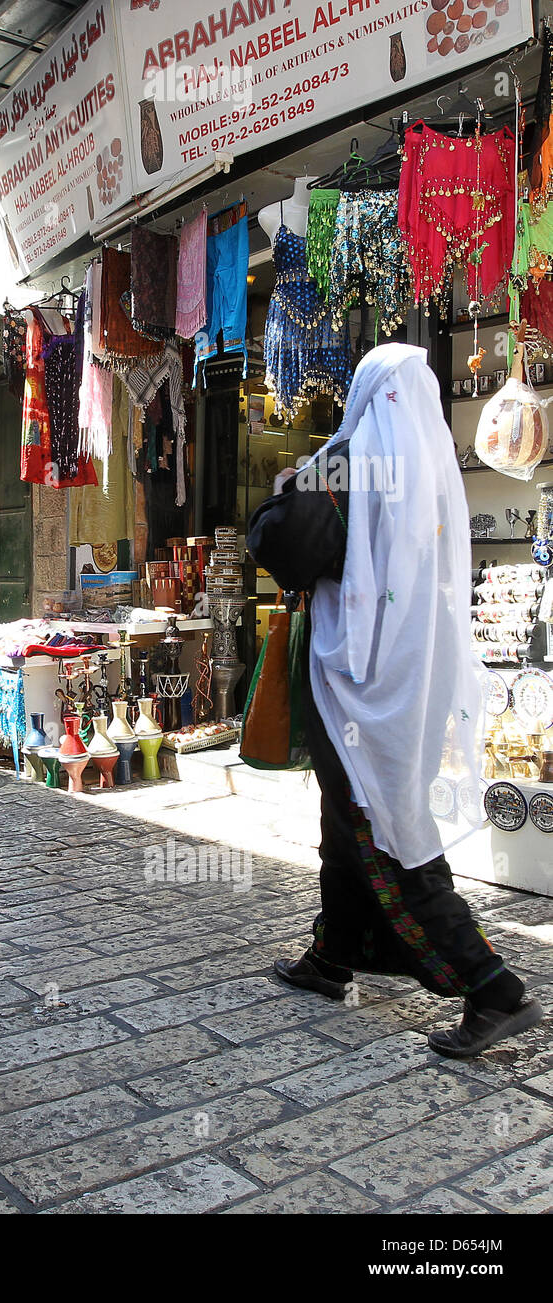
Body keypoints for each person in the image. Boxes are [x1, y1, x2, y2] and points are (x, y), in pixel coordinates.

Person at [247, 343, 543, 1058]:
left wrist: (287, 487)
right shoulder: (426, 469)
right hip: (401, 686)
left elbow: (279, 545)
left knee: (384, 833)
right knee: (345, 820)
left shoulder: (348, 463)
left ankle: (495, 988)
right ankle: (333, 953)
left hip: (354, 686)